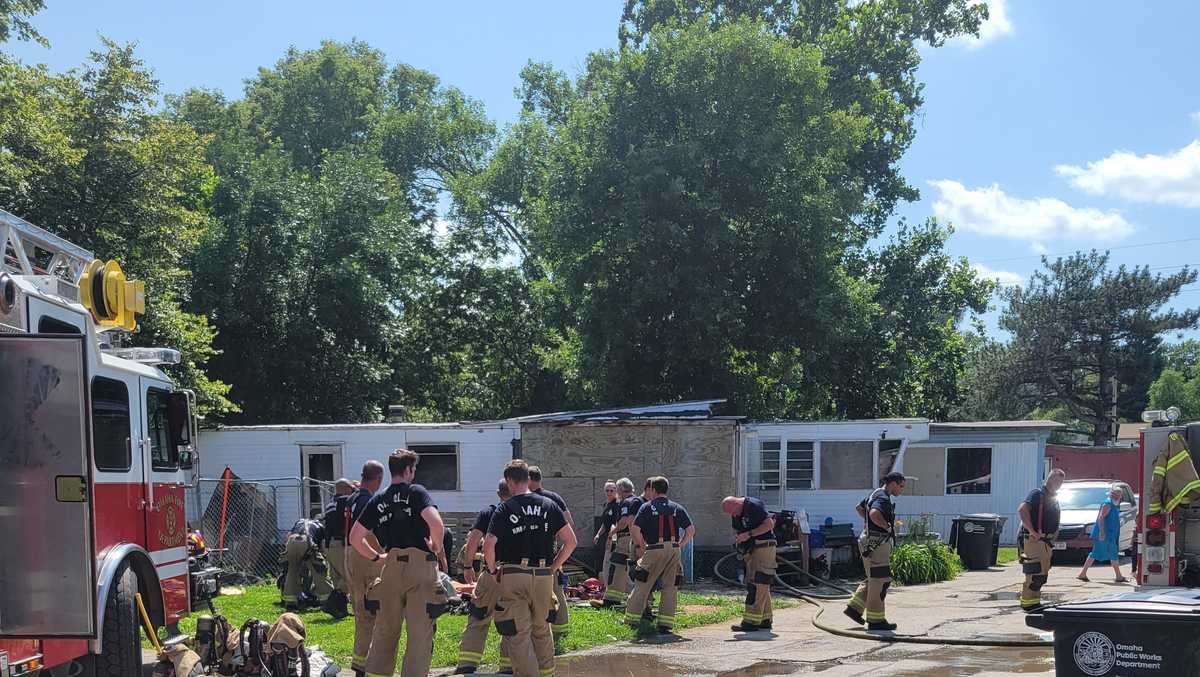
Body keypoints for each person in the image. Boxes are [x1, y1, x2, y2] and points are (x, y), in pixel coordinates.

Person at [350, 450, 447, 677]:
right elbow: (436, 524)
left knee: (385, 630)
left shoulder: (379, 499)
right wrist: (436, 546)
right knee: (419, 632)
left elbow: (355, 538)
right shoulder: (416, 492)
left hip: (391, 568)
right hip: (420, 567)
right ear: (408, 470)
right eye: (413, 469)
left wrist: (376, 557)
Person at [485, 460, 577, 677]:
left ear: (509, 481)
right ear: (528, 478)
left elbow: (489, 544)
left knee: (518, 632)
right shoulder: (549, 505)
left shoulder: (505, 508)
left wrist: (492, 570)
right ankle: (547, 674)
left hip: (515, 575)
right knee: (542, 629)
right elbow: (571, 541)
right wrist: (554, 567)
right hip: (543, 574)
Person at [455, 479, 513, 675]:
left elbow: (473, 540)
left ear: (498, 493)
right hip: (515, 575)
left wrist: (467, 565)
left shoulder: (489, 513)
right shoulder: (522, 511)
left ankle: (467, 664)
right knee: (510, 619)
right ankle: (508, 666)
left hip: (490, 573)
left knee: (478, 615)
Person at [624, 476, 695, 634]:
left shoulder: (647, 507)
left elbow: (635, 530)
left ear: (653, 490)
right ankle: (665, 624)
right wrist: (680, 545)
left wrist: (642, 546)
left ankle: (631, 620)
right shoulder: (677, 507)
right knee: (670, 586)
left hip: (654, 548)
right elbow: (690, 531)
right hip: (674, 550)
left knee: (642, 583)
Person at [845, 472, 906, 631]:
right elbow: (873, 514)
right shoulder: (883, 498)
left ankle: (854, 608)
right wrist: (886, 527)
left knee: (874, 578)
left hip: (869, 543)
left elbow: (860, 508)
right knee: (880, 581)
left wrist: (869, 524)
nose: (902, 490)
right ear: (893, 483)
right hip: (877, 545)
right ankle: (876, 620)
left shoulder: (875, 494)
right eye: (901, 486)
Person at [344, 460, 384, 677]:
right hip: (365, 556)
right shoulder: (367, 500)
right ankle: (369, 663)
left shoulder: (352, 498)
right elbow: (366, 533)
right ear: (378, 478)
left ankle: (359, 663)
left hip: (350, 554)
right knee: (372, 609)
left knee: (360, 611)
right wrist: (380, 554)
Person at [528, 465, 573, 637]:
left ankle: (540, 628)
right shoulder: (554, 498)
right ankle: (560, 628)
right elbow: (569, 523)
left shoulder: (525, 499)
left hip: (532, 552)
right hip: (550, 550)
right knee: (556, 589)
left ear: (529, 480)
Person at [722, 494, 777, 632]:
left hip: (764, 546)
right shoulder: (736, 512)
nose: (733, 515)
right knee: (760, 584)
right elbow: (737, 528)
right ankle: (765, 619)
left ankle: (751, 621)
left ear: (737, 504)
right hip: (751, 549)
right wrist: (739, 538)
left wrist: (749, 534)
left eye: (733, 512)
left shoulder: (753, 506)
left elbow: (769, 524)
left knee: (758, 582)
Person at [1018, 468, 1065, 612]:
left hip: (1046, 542)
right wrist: (1032, 531)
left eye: (1061, 482)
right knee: (1034, 575)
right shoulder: (1037, 494)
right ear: (1050, 479)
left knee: (1042, 575)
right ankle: (1028, 604)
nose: (1059, 484)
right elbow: (1022, 510)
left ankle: (1034, 603)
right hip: (1035, 541)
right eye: (1057, 480)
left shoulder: (1053, 498)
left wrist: (1054, 535)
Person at [598, 478, 639, 606]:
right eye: (608, 490)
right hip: (635, 539)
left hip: (625, 539)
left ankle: (612, 599)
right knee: (631, 569)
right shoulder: (637, 501)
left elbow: (624, 522)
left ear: (620, 489)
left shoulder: (626, 502)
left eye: (615, 489)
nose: (612, 492)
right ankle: (639, 598)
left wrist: (613, 532)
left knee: (617, 566)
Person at [1077, 485, 1128, 583]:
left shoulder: (1114, 504)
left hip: (1110, 534)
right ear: (1112, 494)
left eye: (1120, 495)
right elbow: (1101, 517)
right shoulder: (1108, 504)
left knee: (1098, 553)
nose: (1119, 497)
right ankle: (1118, 576)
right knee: (1111, 553)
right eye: (1117, 494)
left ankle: (1082, 573)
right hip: (1106, 534)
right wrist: (1102, 532)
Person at [320, 478, 356, 618]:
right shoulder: (345, 502)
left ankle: (340, 610)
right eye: (351, 488)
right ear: (346, 489)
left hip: (328, 544)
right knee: (349, 576)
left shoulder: (331, 503)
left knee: (337, 577)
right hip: (340, 544)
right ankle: (331, 604)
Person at [281, 516, 333, 611]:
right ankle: (327, 600)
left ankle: (290, 602)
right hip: (308, 541)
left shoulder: (299, 522)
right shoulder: (320, 526)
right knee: (319, 571)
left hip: (291, 542)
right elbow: (322, 547)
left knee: (292, 571)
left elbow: (288, 536)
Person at [595, 480, 620, 581]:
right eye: (607, 490)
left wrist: (612, 537)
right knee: (606, 565)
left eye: (611, 490)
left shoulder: (617, 504)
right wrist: (598, 534)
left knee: (610, 565)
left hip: (615, 539)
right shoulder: (606, 504)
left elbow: (618, 523)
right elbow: (605, 523)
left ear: (616, 491)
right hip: (607, 538)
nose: (609, 493)